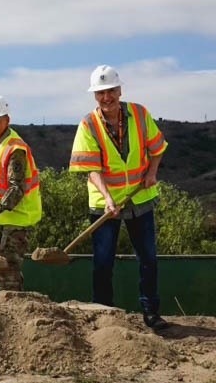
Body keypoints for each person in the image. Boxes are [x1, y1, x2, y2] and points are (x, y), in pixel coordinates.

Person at [69, 65, 170, 330]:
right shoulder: (88, 125)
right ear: (95, 96)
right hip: (106, 204)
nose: (107, 97)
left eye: (111, 91)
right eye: (101, 93)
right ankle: (104, 315)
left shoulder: (139, 113)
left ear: (120, 90)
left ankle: (151, 312)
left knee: (148, 259)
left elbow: (158, 147)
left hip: (140, 198)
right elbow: (91, 169)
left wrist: (152, 172)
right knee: (103, 262)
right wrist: (108, 198)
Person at [0, 94, 42, 291]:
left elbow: (17, 187)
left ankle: (14, 311)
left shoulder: (15, 148)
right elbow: (2, 175)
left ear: (7, 119)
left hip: (16, 217)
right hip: (3, 217)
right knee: (3, 269)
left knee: (8, 269)